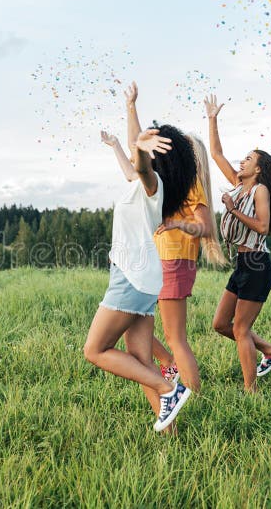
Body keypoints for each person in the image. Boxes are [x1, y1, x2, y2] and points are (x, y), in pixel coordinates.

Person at [84, 115, 198, 432]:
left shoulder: (153, 185)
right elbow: (132, 170)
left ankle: (169, 389)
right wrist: (118, 144)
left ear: (156, 158)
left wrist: (141, 150)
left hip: (131, 280)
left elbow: (143, 169)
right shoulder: (141, 186)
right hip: (144, 279)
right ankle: (171, 431)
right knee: (142, 360)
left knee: (95, 350)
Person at [204, 94, 271, 392]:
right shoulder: (240, 185)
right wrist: (212, 118)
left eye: (248, 159)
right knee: (220, 324)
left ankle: (250, 391)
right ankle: (270, 350)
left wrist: (233, 209)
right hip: (242, 263)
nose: (242, 161)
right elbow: (216, 154)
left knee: (240, 329)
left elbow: (263, 227)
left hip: (256, 264)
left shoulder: (259, 190)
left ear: (258, 169)